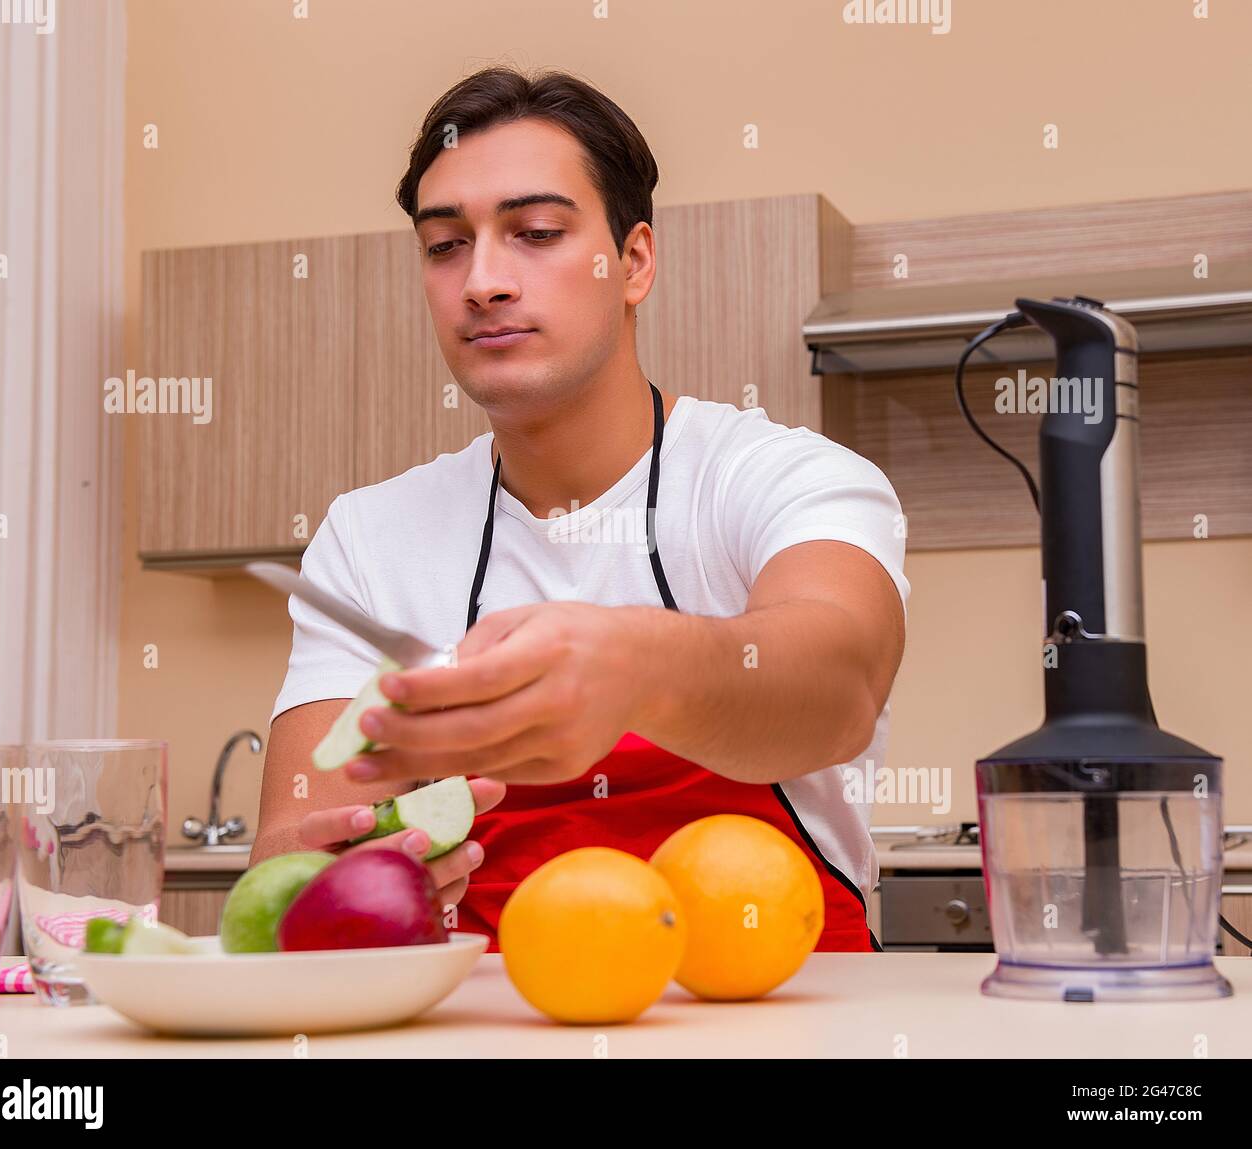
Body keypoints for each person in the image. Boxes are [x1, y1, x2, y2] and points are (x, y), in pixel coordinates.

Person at [252, 65, 908, 952]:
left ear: (633, 261)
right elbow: (286, 861)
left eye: (535, 232)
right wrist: (334, 879)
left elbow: (841, 691)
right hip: (489, 1022)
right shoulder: (370, 537)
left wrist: (631, 666)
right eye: (446, 245)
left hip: (786, 1013)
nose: (482, 280)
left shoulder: (778, 477)